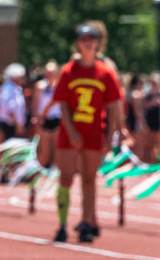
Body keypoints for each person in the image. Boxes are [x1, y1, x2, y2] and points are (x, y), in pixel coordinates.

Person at [52, 23, 126, 243]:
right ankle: (62, 224)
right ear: (78, 43)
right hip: (70, 133)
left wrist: (112, 134)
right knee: (65, 178)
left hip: (94, 132)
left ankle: (86, 222)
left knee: (89, 180)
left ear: (98, 43)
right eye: (84, 39)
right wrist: (72, 131)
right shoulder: (68, 71)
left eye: (92, 39)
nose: (88, 43)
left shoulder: (106, 72)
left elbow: (114, 106)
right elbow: (63, 104)